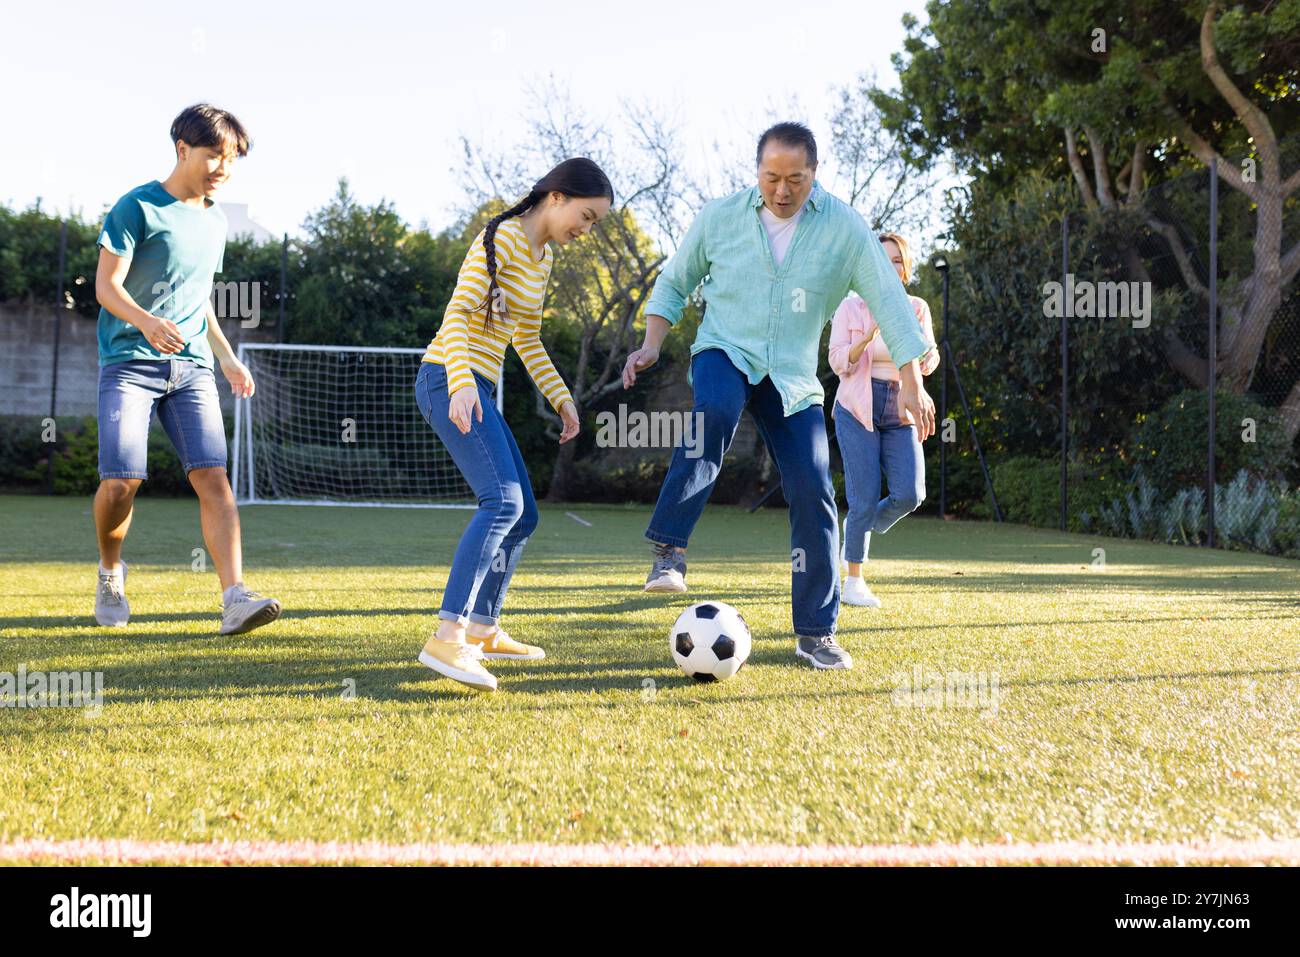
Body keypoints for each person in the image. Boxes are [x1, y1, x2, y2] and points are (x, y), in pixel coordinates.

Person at [622, 122, 937, 671]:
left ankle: (817, 633)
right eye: (771, 177)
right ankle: (670, 549)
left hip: (791, 377)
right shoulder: (720, 218)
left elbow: (888, 297)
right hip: (725, 349)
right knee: (714, 411)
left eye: (795, 179)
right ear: (757, 171)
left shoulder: (842, 227)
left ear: (814, 174)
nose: (783, 191)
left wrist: (911, 378)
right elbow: (674, 281)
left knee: (814, 489)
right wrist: (652, 343)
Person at [415, 158, 613, 691]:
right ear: (556, 195)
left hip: (474, 385)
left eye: (594, 223)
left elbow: (525, 339)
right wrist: (459, 382)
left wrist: (563, 400)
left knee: (522, 518)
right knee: (502, 503)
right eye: (586, 215)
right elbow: (457, 315)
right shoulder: (498, 238)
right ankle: (446, 637)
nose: (586, 230)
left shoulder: (542, 259)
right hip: (446, 379)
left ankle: (482, 628)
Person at [92, 104, 281, 636]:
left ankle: (235, 597)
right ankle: (110, 571)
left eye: (232, 157)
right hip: (130, 364)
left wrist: (225, 356)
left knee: (214, 478)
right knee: (121, 482)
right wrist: (146, 322)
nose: (223, 166)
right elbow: (107, 288)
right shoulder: (137, 208)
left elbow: (199, 302)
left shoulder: (215, 219)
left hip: (192, 368)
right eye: (213, 154)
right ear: (182, 148)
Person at [828, 232, 940, 608]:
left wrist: (928, 359)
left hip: (900, 408)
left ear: (904, 268)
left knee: (911, 494)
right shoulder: (850, 309)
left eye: (896, 260)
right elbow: (837, 361)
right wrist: (868, 338)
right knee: (863, 497)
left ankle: (858, 527)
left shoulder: (917, 308)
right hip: (857, 406)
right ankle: (854, 580)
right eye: (882, 259)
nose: (889, 267)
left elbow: (929, 353)